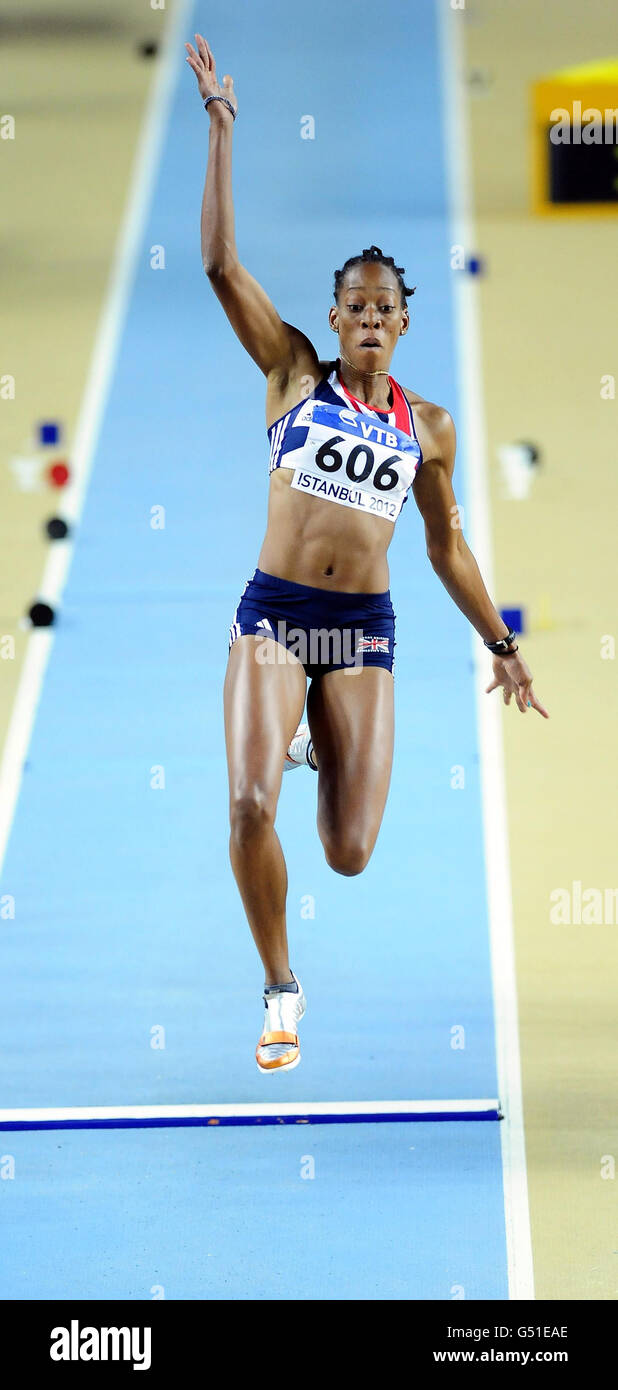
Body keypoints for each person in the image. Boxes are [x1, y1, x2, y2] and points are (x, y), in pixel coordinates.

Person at [185, 33, 549, 1075]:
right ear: (337, 318)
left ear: (402, 321)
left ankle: (308, 738)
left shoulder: (427, 429)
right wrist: (222, 130)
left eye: (388, 309)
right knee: (249, 803)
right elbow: (217, 264)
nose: (371, 321)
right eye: (356, 308)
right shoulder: (295, 372)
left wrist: (501, 640)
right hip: (273, 618)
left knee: (347, 852)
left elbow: (446, 543)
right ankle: (281, 987)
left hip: (362, 634)